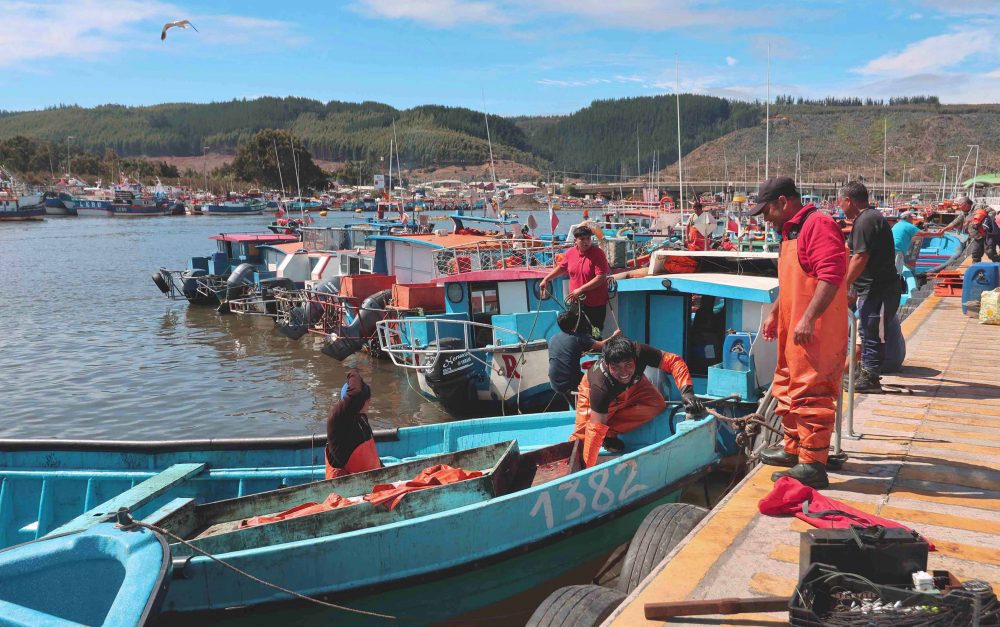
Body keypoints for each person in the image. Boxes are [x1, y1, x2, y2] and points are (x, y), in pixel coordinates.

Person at [754, 176, 848, 490]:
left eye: (765, 210)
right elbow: (794, 281)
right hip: (793, 328)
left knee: (812, 393)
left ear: (783, 201)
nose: (764, 218)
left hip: (815, 331)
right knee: (787, 384)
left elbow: (832, 276)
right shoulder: (790, 231)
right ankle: (793, 447)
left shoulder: (817, 225)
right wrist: (775, 313)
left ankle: (813, 464)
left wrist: (808, 318)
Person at [570, 336, 702, 468]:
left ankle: (610, 433)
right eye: (616, 367)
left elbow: (674, 361)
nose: (624, 373)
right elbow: (595, 431)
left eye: (628, 365)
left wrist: (687, 392)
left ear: (635, 358)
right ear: (606, 363)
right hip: (594, 390)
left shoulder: (641, 351)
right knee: (583, 437)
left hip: (636, 384)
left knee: (657, 404)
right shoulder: (600, 387)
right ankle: (570, 465)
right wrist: (586, 472)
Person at [839, 181, 900, 394]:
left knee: (872, 332)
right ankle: (866, 373)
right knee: (867, 331)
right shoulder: (869, 219)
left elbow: (860, 257)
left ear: (849, 200)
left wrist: (844, 284)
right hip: (873, 289)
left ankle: (870, 378)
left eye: (841, 202)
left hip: (878, 290)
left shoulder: (865, 221)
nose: (840, 207)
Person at [539, 224, 611, 336]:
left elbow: (601, 277)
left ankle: (595, 352)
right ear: (575, 241)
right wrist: (546, 279)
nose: (586, 241)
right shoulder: (570, 253)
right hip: (576, 302)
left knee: (594, 334)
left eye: (588, 238)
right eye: (582, 239)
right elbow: (562, 268)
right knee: (575, 331)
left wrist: (581, 289)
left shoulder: (598, 254)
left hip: (595, 304)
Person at [548, 307, 620, 407]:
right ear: (575, 325)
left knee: (575, 399)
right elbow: (602, 345)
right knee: (597, 382)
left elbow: (563, 353)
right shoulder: (579, 338)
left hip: (554, 382)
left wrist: (577, 353)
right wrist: (614, 335)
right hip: (569, 382)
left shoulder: (552, 338)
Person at [324, 369, 381, 480]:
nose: (370, 402)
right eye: (367, 399)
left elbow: (371, 455)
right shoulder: (337, 419)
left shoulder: (361, 418)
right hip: (344, 486)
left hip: (369, 478)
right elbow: (357, 392)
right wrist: (352, 372)